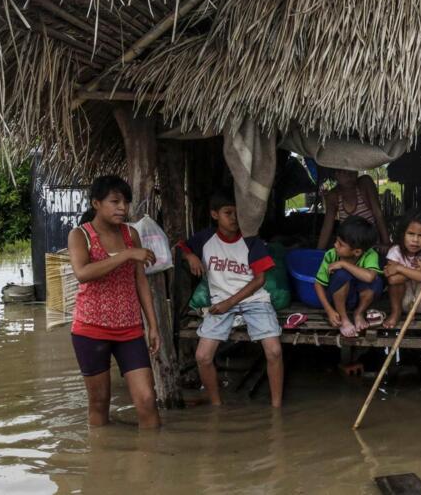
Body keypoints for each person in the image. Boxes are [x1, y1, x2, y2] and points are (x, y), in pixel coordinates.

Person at [67, 175, 161, 428]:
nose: (122, 208)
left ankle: (154, 452)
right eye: (115, 201)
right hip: (90, 330)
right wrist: (126, 254)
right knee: (99, 403)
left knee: (147, 400)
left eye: (126, 202)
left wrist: (153, 325)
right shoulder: (80, 235)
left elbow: (140, 281)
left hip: (130, 329)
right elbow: (83, 273)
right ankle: (101, 451)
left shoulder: (131, 234)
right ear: (96, 203)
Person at [179, 192, 284, 407]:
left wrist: (229, 303)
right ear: (214, 215)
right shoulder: (205, 238)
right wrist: (190, 256)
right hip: (220, 302)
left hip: (254, 301)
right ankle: (216, 406)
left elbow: (260, 280)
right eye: (228, 213)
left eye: (238, 213)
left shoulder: (251, 240)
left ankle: (277, 407)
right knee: (202, 357)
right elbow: (182, 246)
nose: (234, 218)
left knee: (274, 351)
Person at [314, 215, 384, 337]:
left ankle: (359, 313)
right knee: (341, 275)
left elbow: (369, 277)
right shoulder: (331, 255)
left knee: (376, 280)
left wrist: (343, 264)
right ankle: (344, 318)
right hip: (338, 300)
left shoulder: (370, 255)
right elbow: (318, 284)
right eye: (336, 241)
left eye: (340, 244)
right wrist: (329, 310)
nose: (335, 245)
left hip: (360, 299)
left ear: (357, 251)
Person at [383, 209, 421, 332]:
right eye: (411, 234)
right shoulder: (395, 251)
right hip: (403, 300)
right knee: (396, 283)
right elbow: (392, 280)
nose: (415, 240)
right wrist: (419, 273)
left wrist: (400, 268)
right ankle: (396, 313)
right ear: (403, 234)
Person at [316, 169, 391, 251]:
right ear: (335, 174)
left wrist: (387, 243)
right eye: (344, 172)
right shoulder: (333, 196)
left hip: (371, 246)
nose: (350, 176)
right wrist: (318, 252)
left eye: (352, 170)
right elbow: (327, 227)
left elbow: (378, 213)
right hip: (349, 250)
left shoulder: (365, 183)